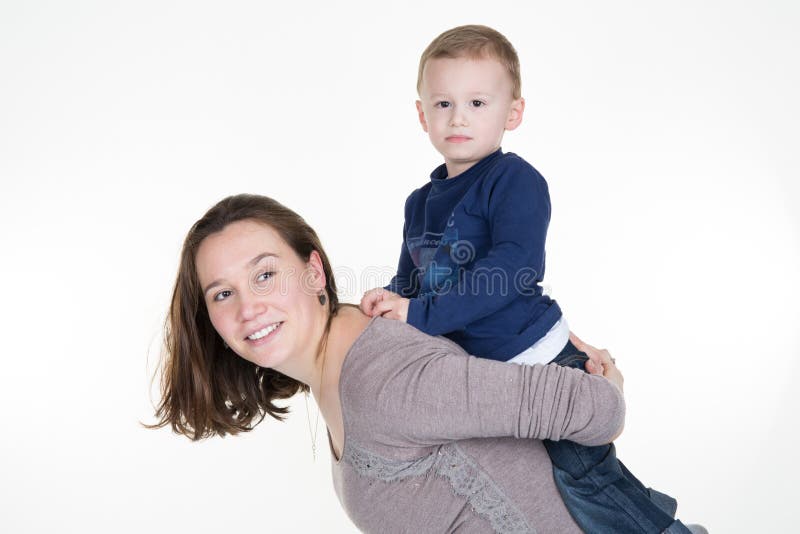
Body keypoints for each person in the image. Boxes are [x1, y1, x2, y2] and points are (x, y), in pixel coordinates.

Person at [360, 25, 697, 533]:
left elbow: (515, 269)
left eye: (477, 103)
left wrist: (420, 313)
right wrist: (390, 302)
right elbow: (414, 280)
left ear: (512, 113)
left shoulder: (513, 180)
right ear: (422, 114)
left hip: (537, 359)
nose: (458, 117)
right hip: (486, 378)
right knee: (542, 483)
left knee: (586, 479)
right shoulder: (419, 203)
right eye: (443, 104)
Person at [151, 194, 631, 533]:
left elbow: (594, 408)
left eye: (265, 275)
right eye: (223, 294)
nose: (248, 308)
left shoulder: (383, 377)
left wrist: (606, 381)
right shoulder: (341, 369)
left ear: (314, 272)